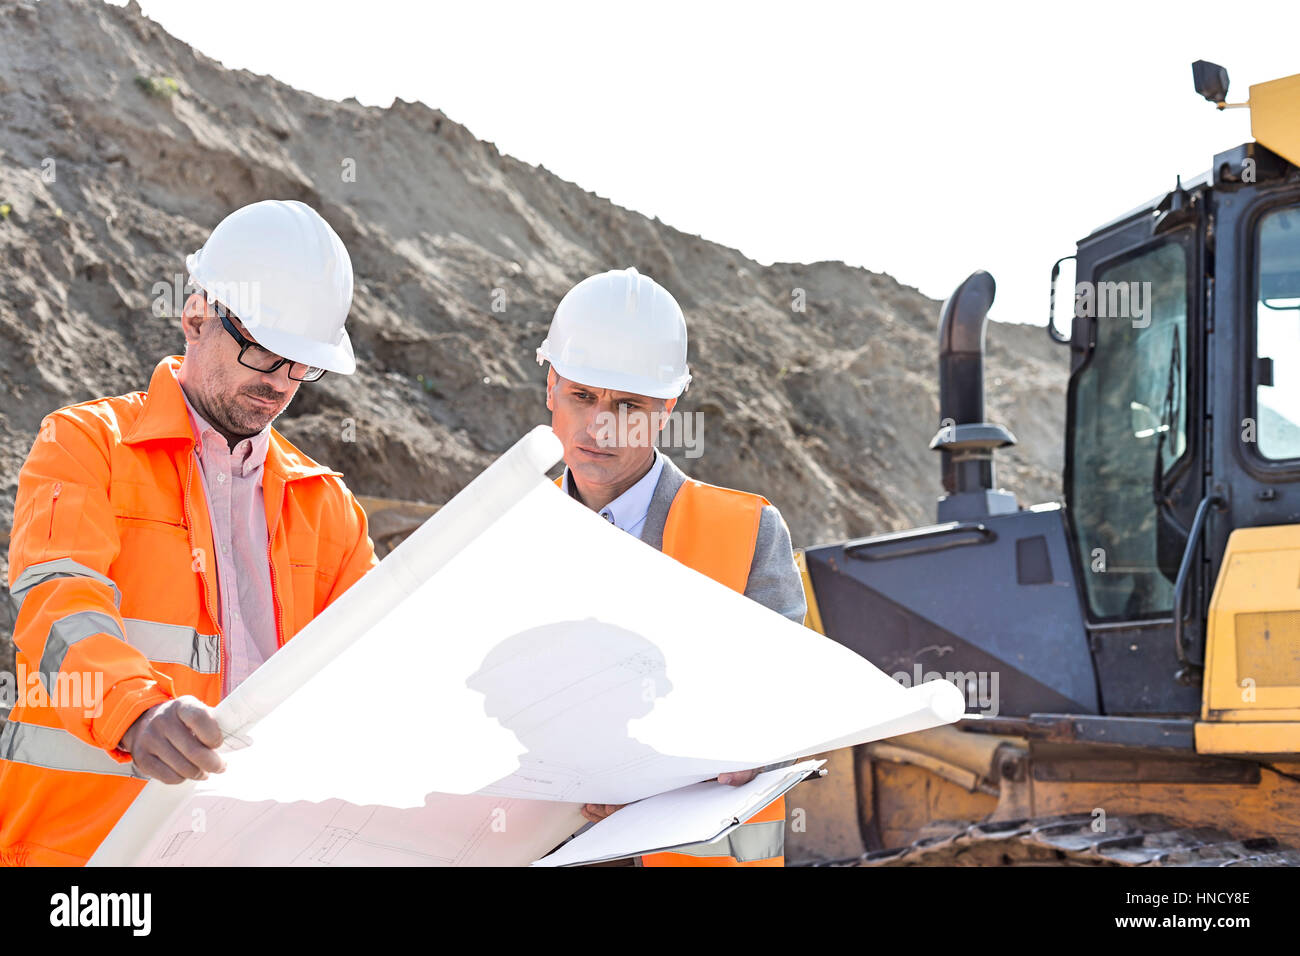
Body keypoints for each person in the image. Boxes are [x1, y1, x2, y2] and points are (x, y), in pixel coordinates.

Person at [0, 199, 378, 866]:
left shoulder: (330, 508)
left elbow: (377, 676)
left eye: (302, 365)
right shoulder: (87, 445)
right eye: (263, 351)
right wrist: (137, 715)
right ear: (197, 315)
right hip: (84, 859)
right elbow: (57, 605)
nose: (280, 384)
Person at [536, 267, 806, 867]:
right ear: (551, 386)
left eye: (628, 404)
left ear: (666, 409)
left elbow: (790, 708)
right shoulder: (510, 537)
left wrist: (666, 774)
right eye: (582, 396)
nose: (600, 425)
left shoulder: (747, 534)